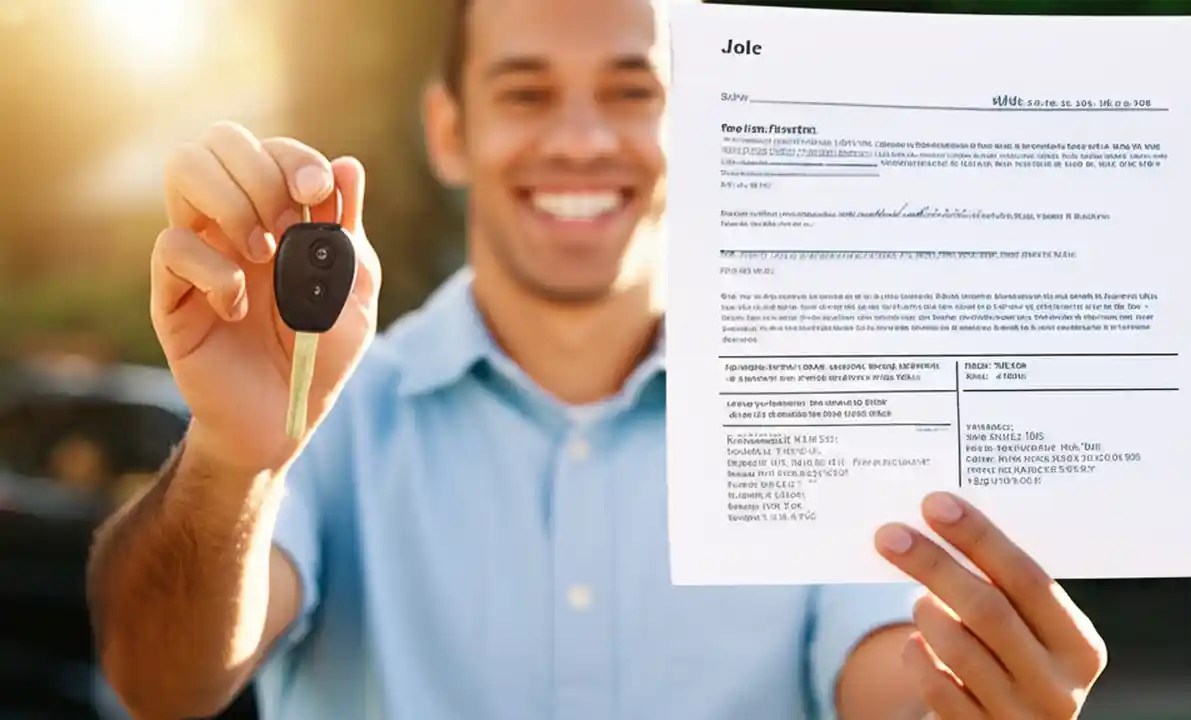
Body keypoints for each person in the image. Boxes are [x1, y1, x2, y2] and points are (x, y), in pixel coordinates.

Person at [86, 0, 1108, 718]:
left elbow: (889, 688)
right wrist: (231, 459)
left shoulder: (829, 408)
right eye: (525, 94)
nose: (579, 139)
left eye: (631, 91)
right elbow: (159, 683)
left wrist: (979, 705)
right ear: (450, 131)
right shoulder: (332, 409)